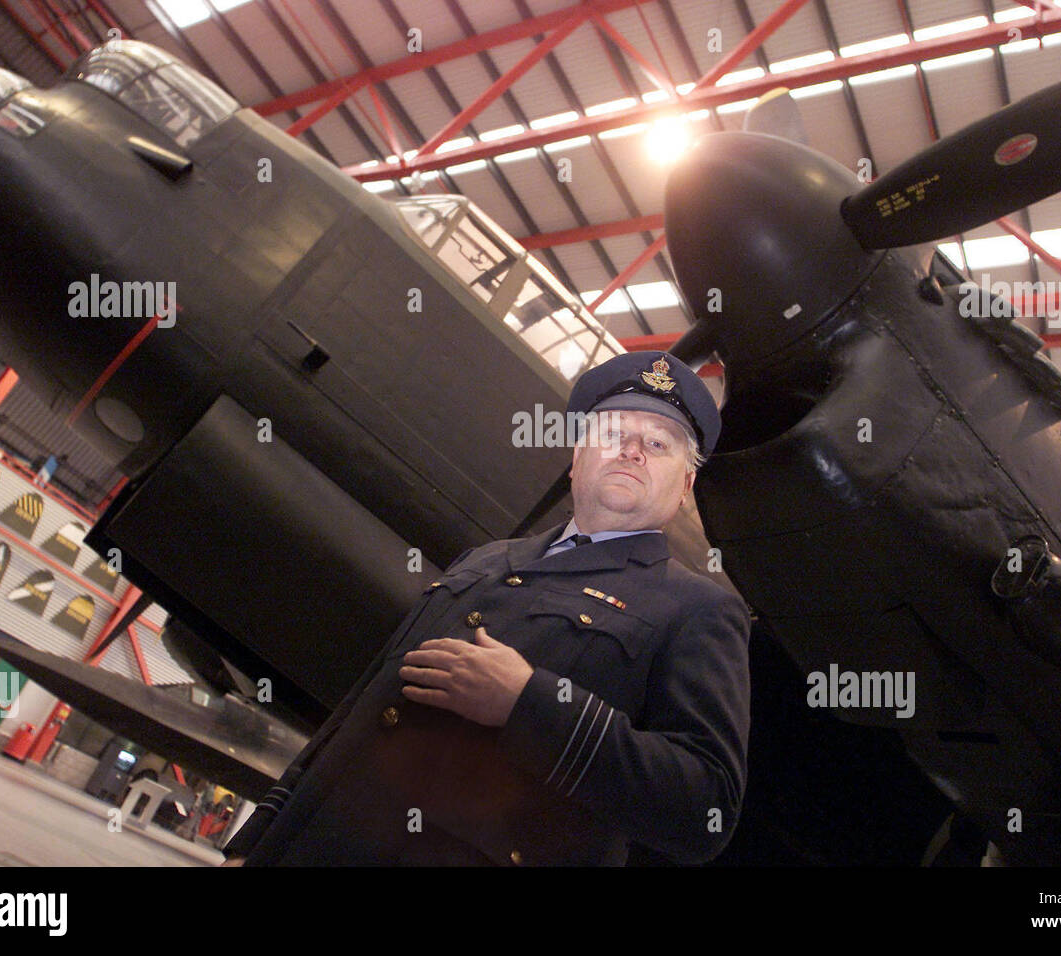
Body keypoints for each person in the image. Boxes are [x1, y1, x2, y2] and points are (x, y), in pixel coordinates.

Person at [222, 351, 751, 866]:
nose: (632, 450)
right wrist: (255, 840)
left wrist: (529, 704)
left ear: (685, 486)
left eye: (658, 444)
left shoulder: (698, 610)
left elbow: (706, 807)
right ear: (576, 460)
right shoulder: (485, 560)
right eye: (612, 434)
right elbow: (358, 708)